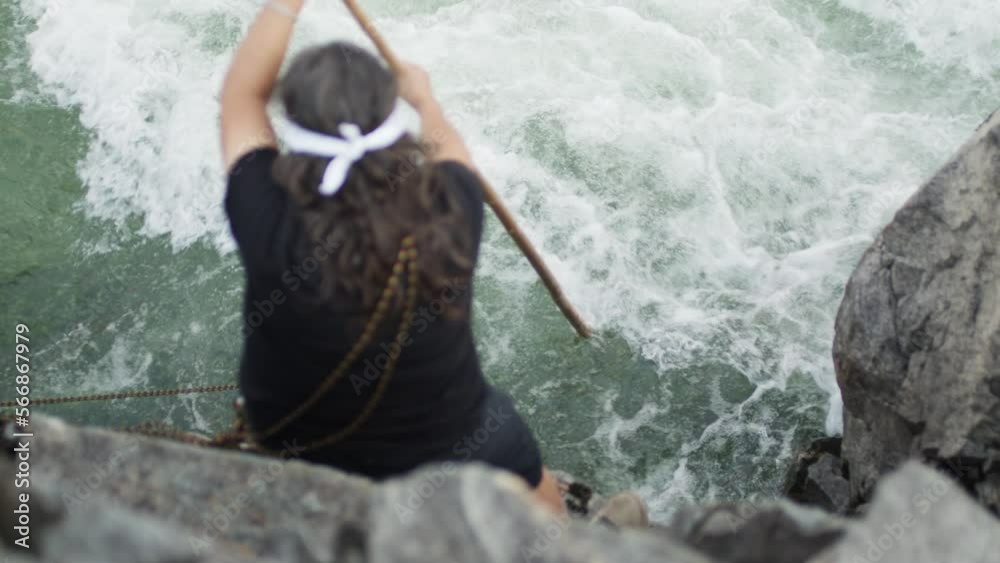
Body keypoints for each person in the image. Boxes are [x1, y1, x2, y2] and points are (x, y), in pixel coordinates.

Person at [218, 0, 568, 514]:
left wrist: (284, 5)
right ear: (387, 117)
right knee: (538, 487)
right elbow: (448, 146)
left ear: (291, 124)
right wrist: (425, 101)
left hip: (294, 434)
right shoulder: (451, 203)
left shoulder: (265, 213)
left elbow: (240, 97)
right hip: (450, 439)